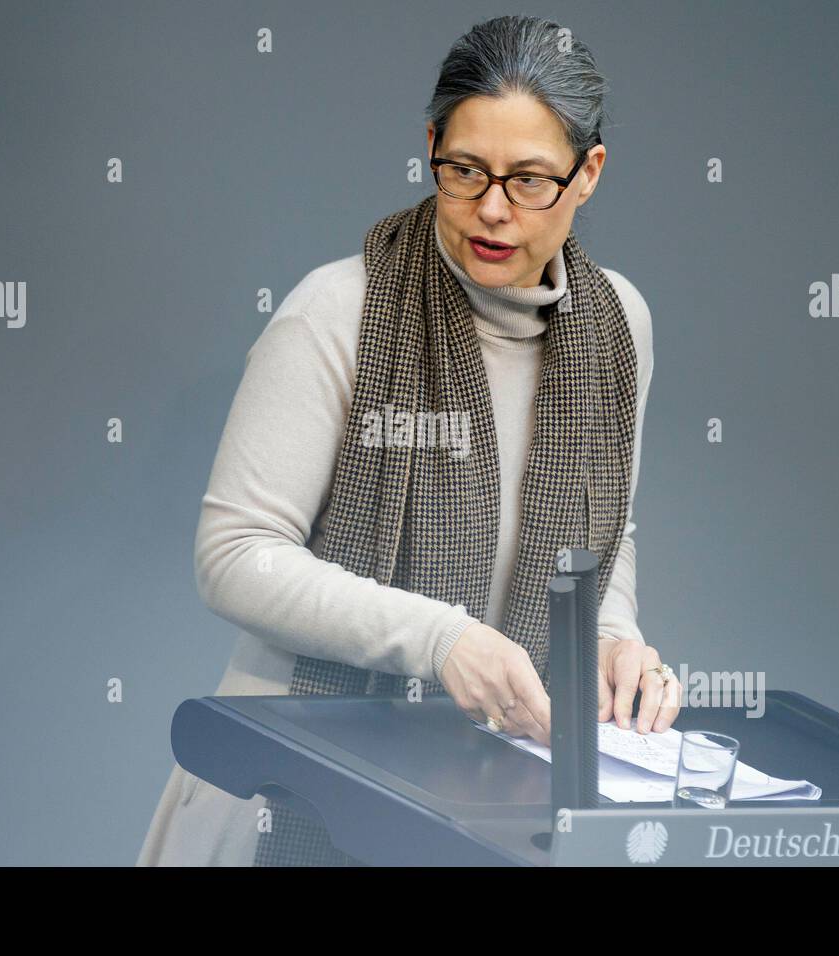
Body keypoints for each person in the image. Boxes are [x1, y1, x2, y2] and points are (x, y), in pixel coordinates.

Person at [137, 13, 680, 867]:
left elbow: (604, 543)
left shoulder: (621, 328)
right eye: (464, 170)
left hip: (475, 805)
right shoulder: (338, 312)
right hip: (282, 794)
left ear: (589, 174)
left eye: (531, 180)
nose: (491, 210)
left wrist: (610, 642)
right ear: (430, 144)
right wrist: (440, 640)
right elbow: (235, 551)